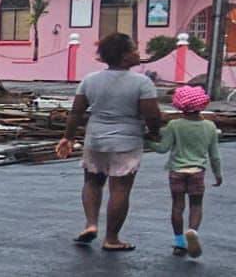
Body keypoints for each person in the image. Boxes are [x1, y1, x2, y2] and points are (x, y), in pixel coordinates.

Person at [55, 33, 162, 251]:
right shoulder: (142, 83)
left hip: (95, 139)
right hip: (126, 142)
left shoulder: (90, 80)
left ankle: (91, 224)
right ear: (124, 56)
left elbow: (76, 113)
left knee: (92, 182)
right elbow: (152, 115)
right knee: (120, 189)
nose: (137, 53)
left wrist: (68, 136)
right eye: (133, 49)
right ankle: (111, 238)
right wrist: (155, 133)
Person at [147, 83, 223, 257]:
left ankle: (179, 242)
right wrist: (218, 174)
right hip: (197, 171)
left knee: (177, 206)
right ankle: (193, 231)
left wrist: (147, 142)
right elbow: (215, 155)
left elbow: (162, 149)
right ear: (201, 105)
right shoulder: (210, 127)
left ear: (179, 105)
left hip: (177, 172)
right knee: (196, 205)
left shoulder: (175, 125)